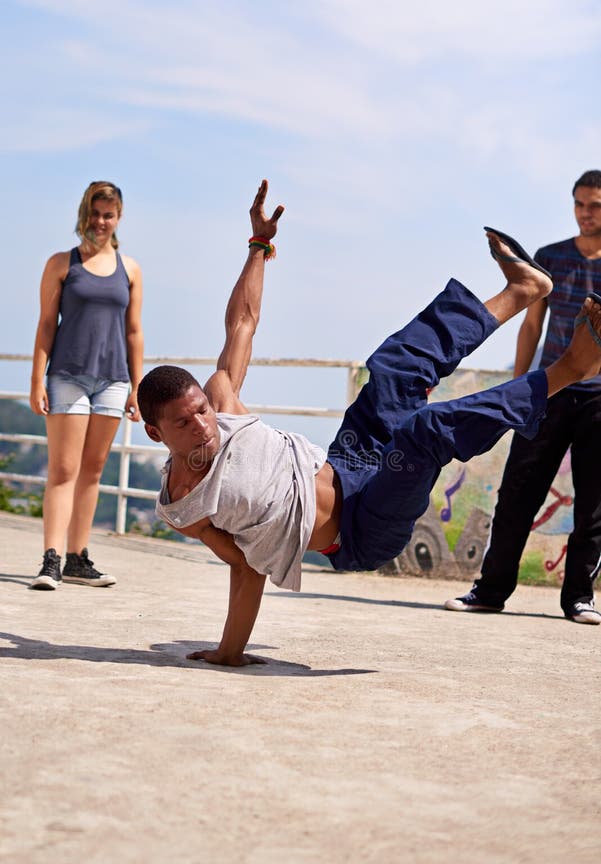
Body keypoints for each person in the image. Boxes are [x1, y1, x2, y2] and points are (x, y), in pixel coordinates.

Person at [137, 180, 601, 667]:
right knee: (426, 433)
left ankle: (522, 290)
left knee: (395, 370)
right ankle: (569, 370)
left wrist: (259, 246)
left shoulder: (222, 403)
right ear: (155, 433)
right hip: (360, 533)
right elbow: (247, 566)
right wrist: (230, 652)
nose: (203, 425)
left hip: (350, 461)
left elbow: (243, 323)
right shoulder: (185, 505)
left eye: (202, 411)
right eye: (184, 423)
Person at [446, 170, 601, 625]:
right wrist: (520, 392)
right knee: (515, 495)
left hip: (599, 398)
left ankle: (579, 598)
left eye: (595, 205)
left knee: (593, 504)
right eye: (580, 204)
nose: (586, 213)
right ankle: (491, 591)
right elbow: (532, 326)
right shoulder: (551, 258)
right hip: (549, 390)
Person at [29, 180, 144, 590]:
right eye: (95, 213)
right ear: (85, 213)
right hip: (68, 375)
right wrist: (36, 380)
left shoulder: (129, 269)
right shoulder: (62, 263)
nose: (100, 221)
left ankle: (78, 558)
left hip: (113, 379)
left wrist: (136, 385)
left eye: (108, 214)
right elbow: (46, 325)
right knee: (63, 469)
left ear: (118, 217)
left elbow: (133, 332)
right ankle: (51, 559)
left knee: (93, 471)